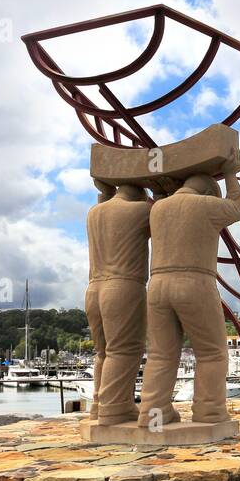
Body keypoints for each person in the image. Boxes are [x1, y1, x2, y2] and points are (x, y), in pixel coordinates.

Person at [137, 168, 240, 427]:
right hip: (194, 281)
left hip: (157, 285)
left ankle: (153, 416)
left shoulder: (158, 208)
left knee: (161, 355)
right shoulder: (207, 204)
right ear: (210, 192)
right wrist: (232, 171)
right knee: (212, 353)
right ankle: (209, 414)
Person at [85, 178, 153, 425]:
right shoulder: (141, 210)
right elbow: (167, 219)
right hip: (123, 285)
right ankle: (115, 409)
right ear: (140, 194)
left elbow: (109, 212)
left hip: (94, 288)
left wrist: (104, 193)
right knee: (124, 350)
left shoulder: (94, 213)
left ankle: (98, 405)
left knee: (103, 352)